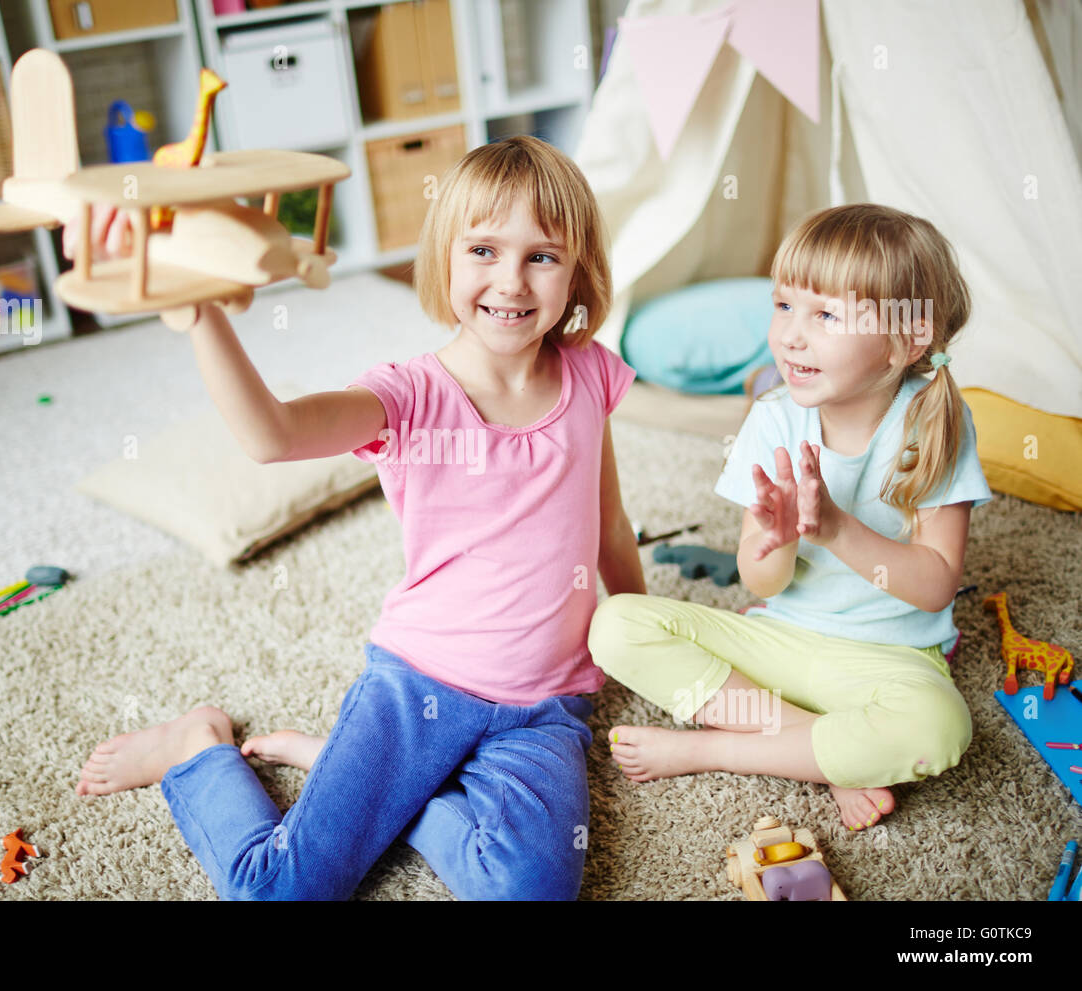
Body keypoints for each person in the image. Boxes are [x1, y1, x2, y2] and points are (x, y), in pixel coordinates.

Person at [73, 135, 645, 899]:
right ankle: (196, 748)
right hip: (418, 685)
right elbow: (270, 434)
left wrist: (645, 636)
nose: (510, 280)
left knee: (531, 889)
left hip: (545, 707)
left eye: (542, 256)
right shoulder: (407, 395)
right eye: (483, 249)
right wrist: (201, 314)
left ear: (578, 271)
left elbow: (607, 522)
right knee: (277, 890)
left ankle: (369, 781)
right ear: (445, 255)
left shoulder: (590, 375)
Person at [588, 204, 992, 831]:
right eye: (783, 306)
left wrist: (837, 530)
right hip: (780, 638)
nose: (790, 336)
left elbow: (936, 582)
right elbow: (763, 583)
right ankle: (826, 754)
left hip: (888, 657)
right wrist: (773, 543)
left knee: (940, 726)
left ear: (907, 340)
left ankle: (719, 747)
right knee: (614, 624)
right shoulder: (774, 416)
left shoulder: (932, 422)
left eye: (825, 315)